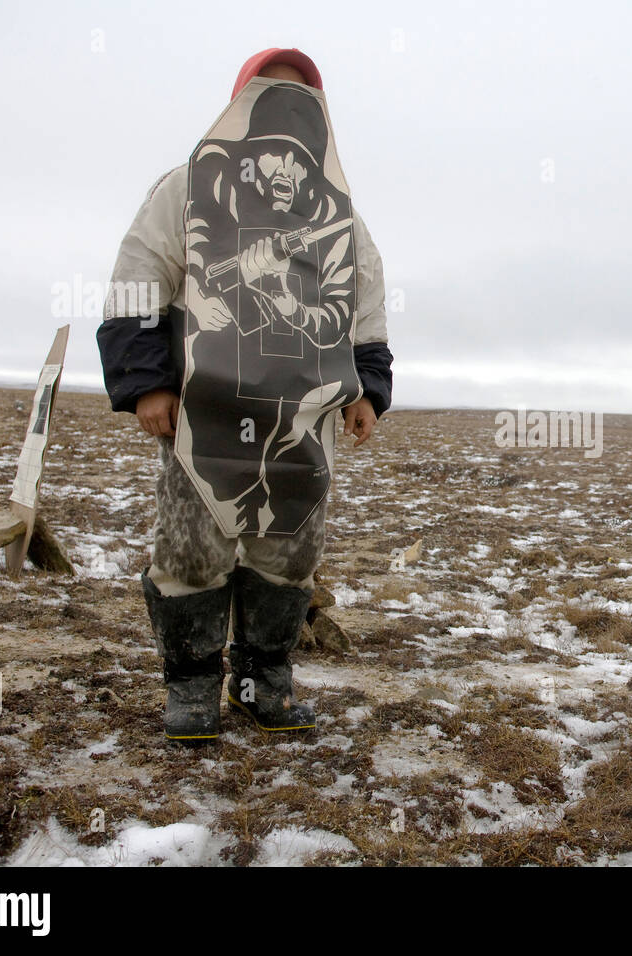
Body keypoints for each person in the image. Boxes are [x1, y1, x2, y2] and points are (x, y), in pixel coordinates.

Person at [96, 48, 392, 741]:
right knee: (193, 546)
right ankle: (193, 688)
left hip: (304, 412)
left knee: (288, 550)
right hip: (203, 409)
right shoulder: (188, 190)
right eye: (272, 94)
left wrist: (367, 390)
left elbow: (365, 303)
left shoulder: (339, 216)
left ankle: (263, 683)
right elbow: (140, 278)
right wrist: (148, 383)